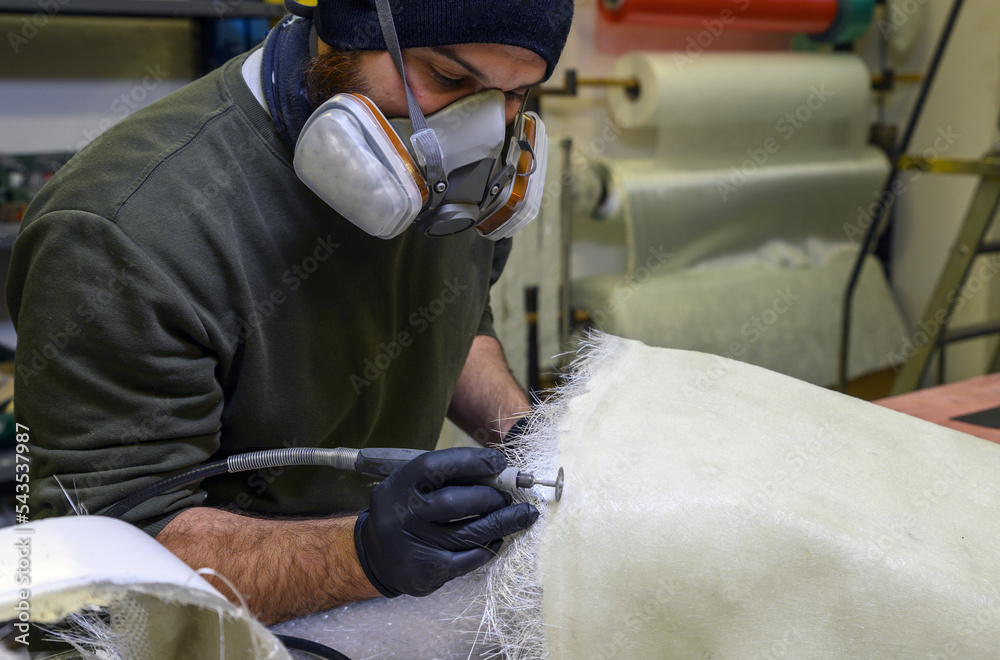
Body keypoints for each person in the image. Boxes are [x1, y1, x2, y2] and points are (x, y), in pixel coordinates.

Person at [8, 0, 573, 624]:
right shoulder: (122, 228)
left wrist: (533, 440)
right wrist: (364, 553)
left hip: (370, 608)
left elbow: (455, 324)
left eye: (517, 93)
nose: (483, 130)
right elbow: (102, 572)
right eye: (447, 78)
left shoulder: (468, 175)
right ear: (339, 30)